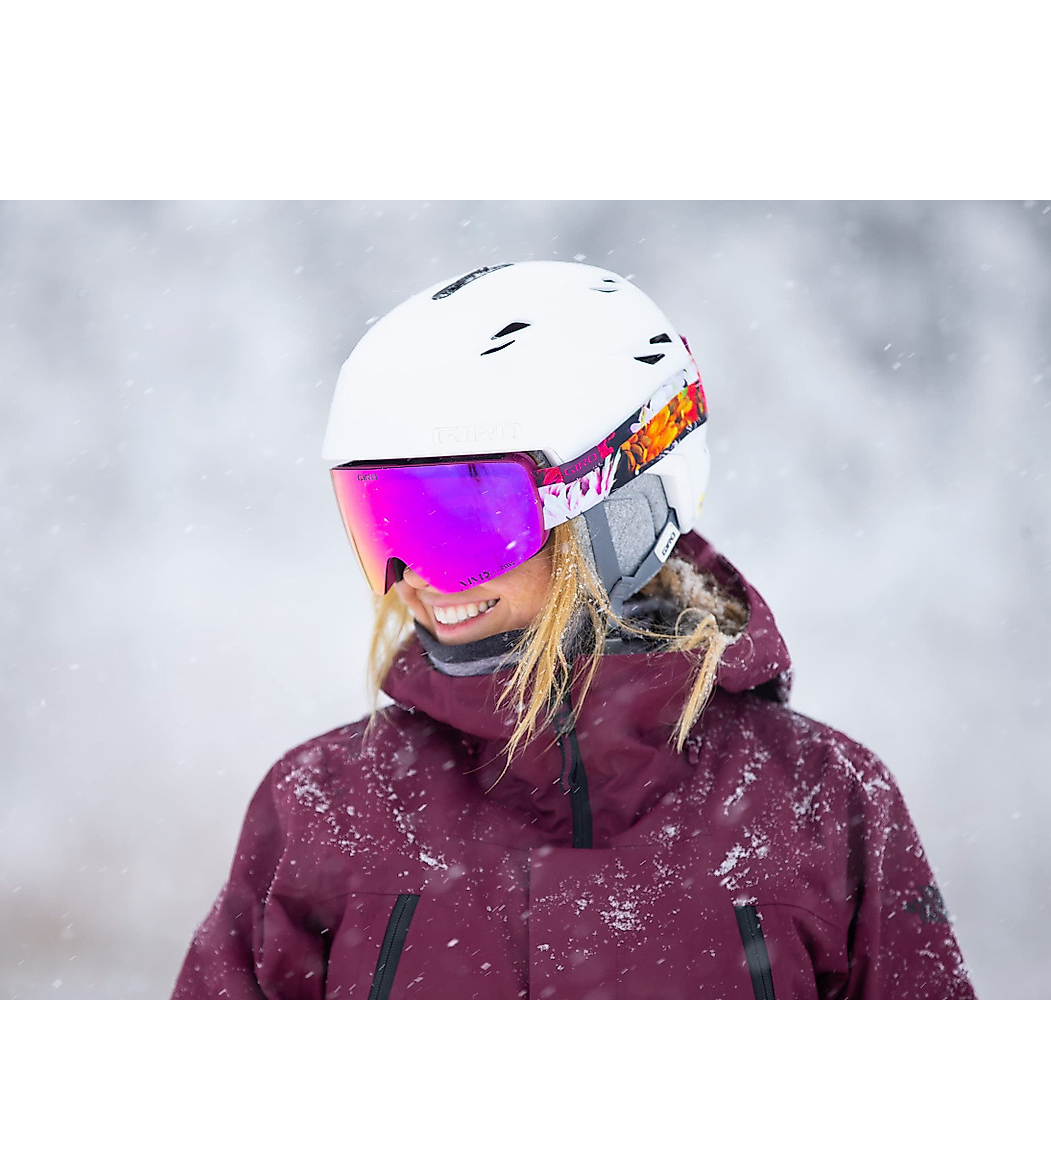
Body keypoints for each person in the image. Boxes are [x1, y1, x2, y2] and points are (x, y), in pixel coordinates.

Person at [172, 260, 975, 1000]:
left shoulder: (819, 802)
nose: (414, 575)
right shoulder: (327, 806)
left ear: (619, 510)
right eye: (385, 521)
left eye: (465, 521)